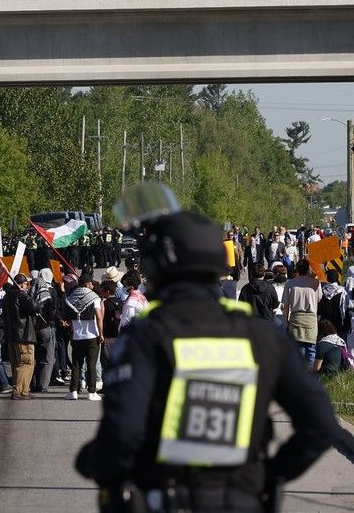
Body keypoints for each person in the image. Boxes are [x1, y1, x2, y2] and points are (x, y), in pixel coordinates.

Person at [76, 182, 340, 513]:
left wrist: (93, 460)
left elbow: (123, 433)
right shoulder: (261, 335)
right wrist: (270, 477)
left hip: (167, 499)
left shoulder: (147, 336)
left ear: (159, 264)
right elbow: (321, 425)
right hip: (244, 501)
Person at [66, 272, 103, 401]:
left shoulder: (71, 297)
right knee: (91, 364)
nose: (92, 285)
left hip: (77, 336)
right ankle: (91, 392)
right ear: (86, 284)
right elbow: (99, 317)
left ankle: (73, 391)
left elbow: (68, 318)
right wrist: (101, 334)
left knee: (77, 364)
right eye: (91, 283)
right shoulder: (94, 298)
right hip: (92, 335)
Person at [281, 258, 322, 367]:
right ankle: (310, 377)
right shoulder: (316, 283)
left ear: (297, 269)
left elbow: (286, 307)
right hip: (311, 320)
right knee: (311, 350)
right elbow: (319, 299)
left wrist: (286, 321)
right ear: (308, 269)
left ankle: (300, 376)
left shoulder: (290, 283)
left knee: (298, 351)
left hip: (296, 319)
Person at [3, 273, 37, 400]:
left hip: (12, 335)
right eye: (26, 284)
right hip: (23, 334)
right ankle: (19, 390)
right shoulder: (21, 295)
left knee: (16, 363)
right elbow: (34, 307)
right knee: (26, 362)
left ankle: (23, 390)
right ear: (22, 284)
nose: (27, 286)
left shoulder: (7, 296)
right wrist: (29, 296)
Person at [31, 267, 57, 393]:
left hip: (33, 328)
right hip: (46, 328)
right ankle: (43, 385)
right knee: (47, 357)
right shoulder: (48, 294)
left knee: (36, 356)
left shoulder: (32, 292)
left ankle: (33, 382)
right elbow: (52, 312)